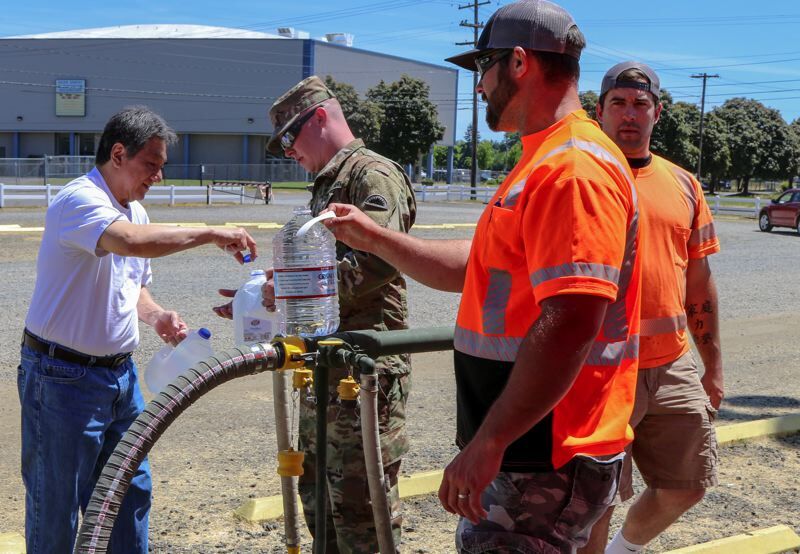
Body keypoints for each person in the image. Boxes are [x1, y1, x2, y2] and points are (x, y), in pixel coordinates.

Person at [319, 1, 643, 551]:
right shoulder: (542, 158)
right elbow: (479, 270)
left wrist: (490, 441)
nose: (478, 86)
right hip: (533, 445)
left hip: (544, 452)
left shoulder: (570, 169)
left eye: (482, 67)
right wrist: (374, 238)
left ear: (519, 63)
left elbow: (571, 321)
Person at [18, 106, 257, 554]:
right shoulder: (79, 200)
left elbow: (133, 287)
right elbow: (127, 243)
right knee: (56, 510)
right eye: (151, 165)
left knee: (129, 495)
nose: (158, 177)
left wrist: (156, 316)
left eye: (162, 167)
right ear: (118, 153)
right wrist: (210, 232)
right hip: (60, 378)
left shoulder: (137, 212)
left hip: (120, 379)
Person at [214, 75, 416, 553]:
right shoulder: (328, 185)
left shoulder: (372, 175)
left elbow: (378, 262)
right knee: (320, 502)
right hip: (327, 370)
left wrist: (288, 291)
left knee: (363, 512)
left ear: (321, 117)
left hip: (364, 373)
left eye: (289, 137)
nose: (287, 152)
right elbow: (319, 269)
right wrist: (264, 292)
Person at [581, 61, 723, 554]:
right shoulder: (581, 178)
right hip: (599, 368)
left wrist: (713, 366)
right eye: (617, 103)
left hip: (671, 363)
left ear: (657, 113)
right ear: (597, 112)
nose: (629, 114)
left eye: (640, 104)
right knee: (594, 497)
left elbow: (700, 282)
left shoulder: (684, 184)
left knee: (689, 483)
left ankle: (625, 551)